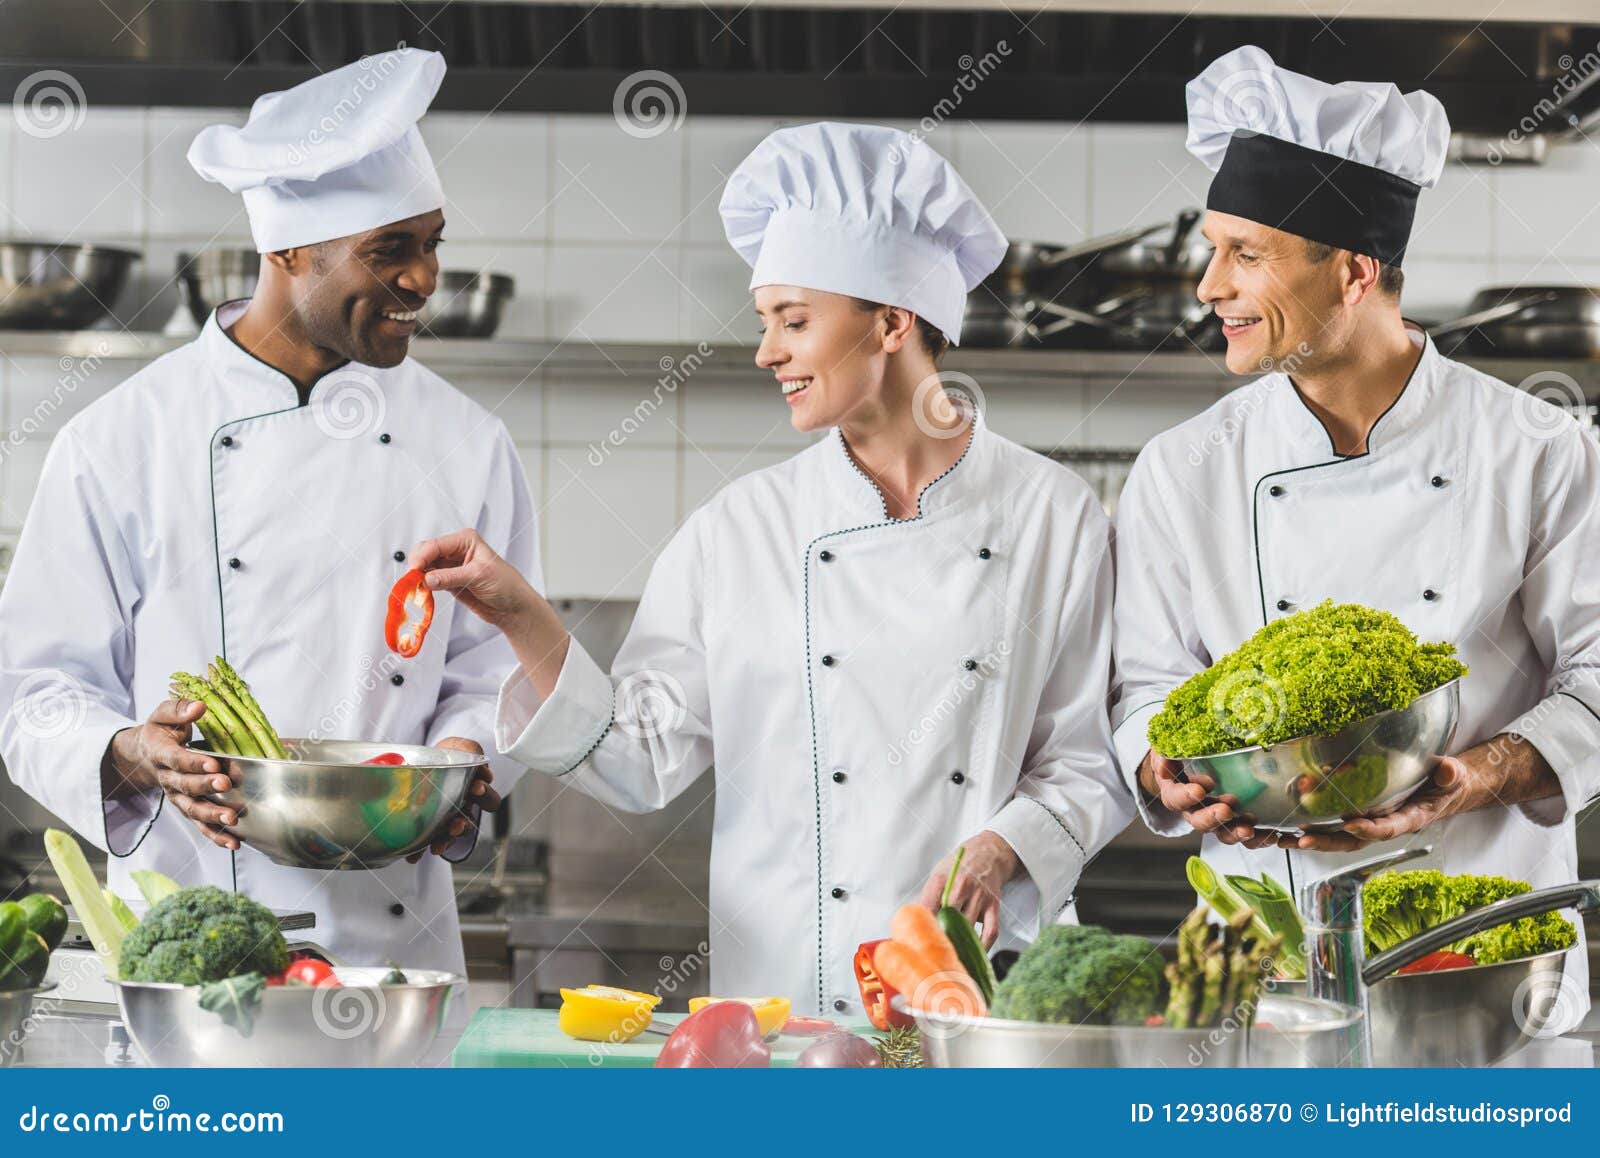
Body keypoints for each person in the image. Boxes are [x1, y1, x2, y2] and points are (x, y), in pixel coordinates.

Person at [406, 122, 1132, 1016]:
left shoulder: (1052, 515)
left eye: (794, 320)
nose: (766, 351)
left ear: (893, 322)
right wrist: (522, 616)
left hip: (980, 994)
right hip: (784, 1000)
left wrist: (1004, 847)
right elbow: (640, 756)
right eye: (765, 323)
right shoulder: (741, 528)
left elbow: (1086, 762)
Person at [0, 49, 536, 973]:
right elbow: (34, 694)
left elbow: (499, 668)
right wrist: (129, 751)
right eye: (391, 250)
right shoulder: (119, 438)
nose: (424, 279)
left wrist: (459, 758)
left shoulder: (467, 442)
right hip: (188, 924)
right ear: (289, 250)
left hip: (394, 941)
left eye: (432, 241)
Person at [1112, 47, 1600, 1010]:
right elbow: (1149, 688)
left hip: (1481, 956)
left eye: (1245, 254)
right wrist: (1167, 771)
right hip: (1260, 964)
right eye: (1212, 248)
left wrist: (1467, 778)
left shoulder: (1539, 450)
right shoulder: (1182, 468)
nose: (1208, 285)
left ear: (1354, 271)